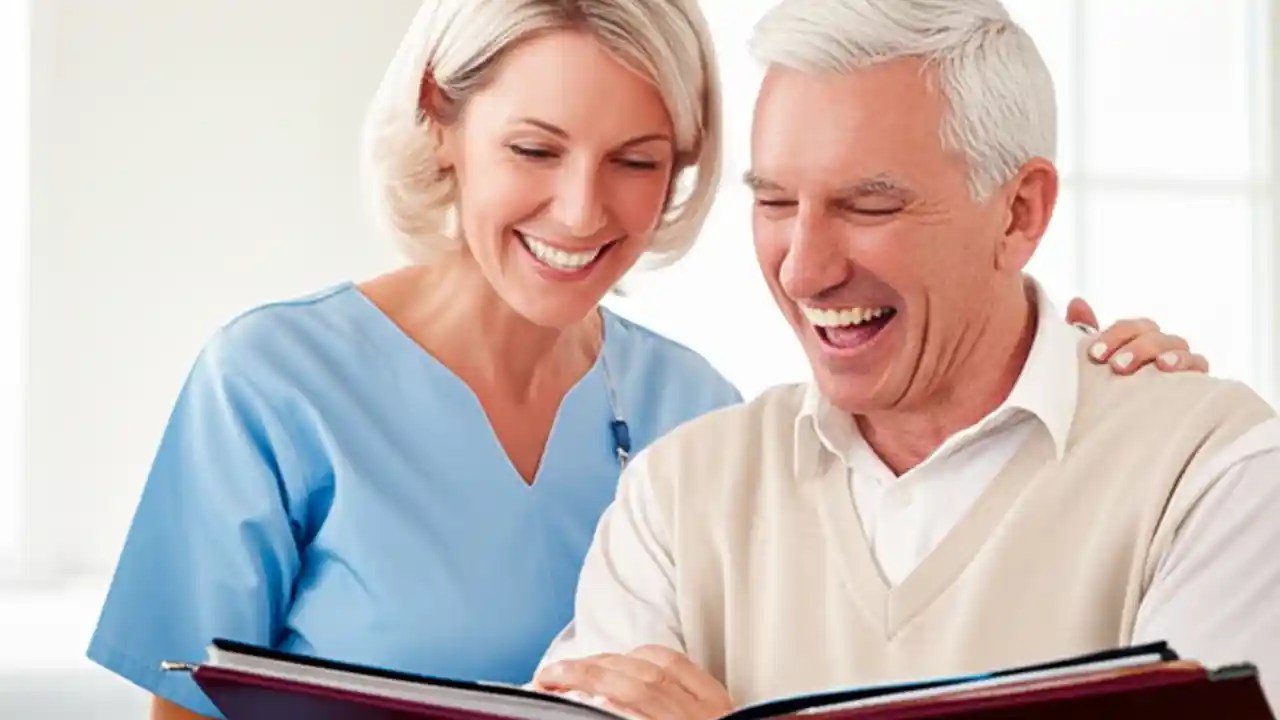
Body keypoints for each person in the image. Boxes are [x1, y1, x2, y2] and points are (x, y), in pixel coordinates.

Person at [86, 1, 1207, 719]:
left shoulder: (696, 414)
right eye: (533, 148)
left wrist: (1087, 392)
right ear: (440, 122)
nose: (582, 209)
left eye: (637, 159)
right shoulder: (274, 384)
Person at [531, 0, 1280, 717]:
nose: (803, 270)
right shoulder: (677, 497)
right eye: (777, 204)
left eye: (868, 206)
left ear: (1020, 212)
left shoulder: (1209, 477)